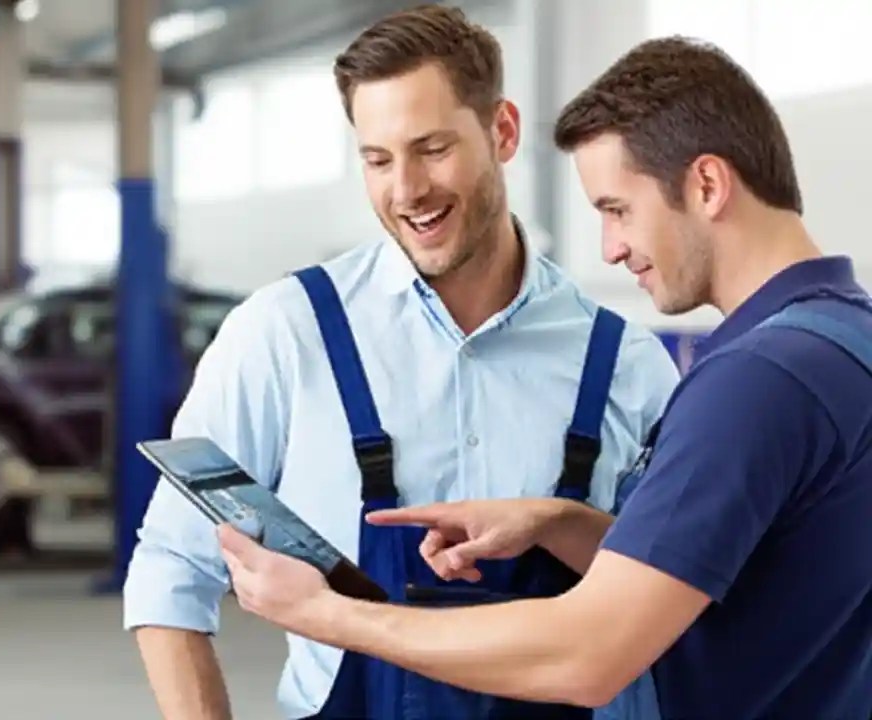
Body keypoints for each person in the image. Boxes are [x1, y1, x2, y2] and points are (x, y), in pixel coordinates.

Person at [216, 34, 872, 720]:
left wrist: (326, 614)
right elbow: (734, 576)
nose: (610, 248)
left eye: (616, 209)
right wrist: (561, 522)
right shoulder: (846, 343)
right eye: (377, 158)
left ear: (706, 185)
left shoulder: (752, 385)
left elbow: (586, 656)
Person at [121, 5, 679, 719]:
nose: (407, 190)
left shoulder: (626, 364)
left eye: (432, 148)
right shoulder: (286, 334)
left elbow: (668, 593)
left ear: (503, 131)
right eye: (378, 160)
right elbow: (172, 566)